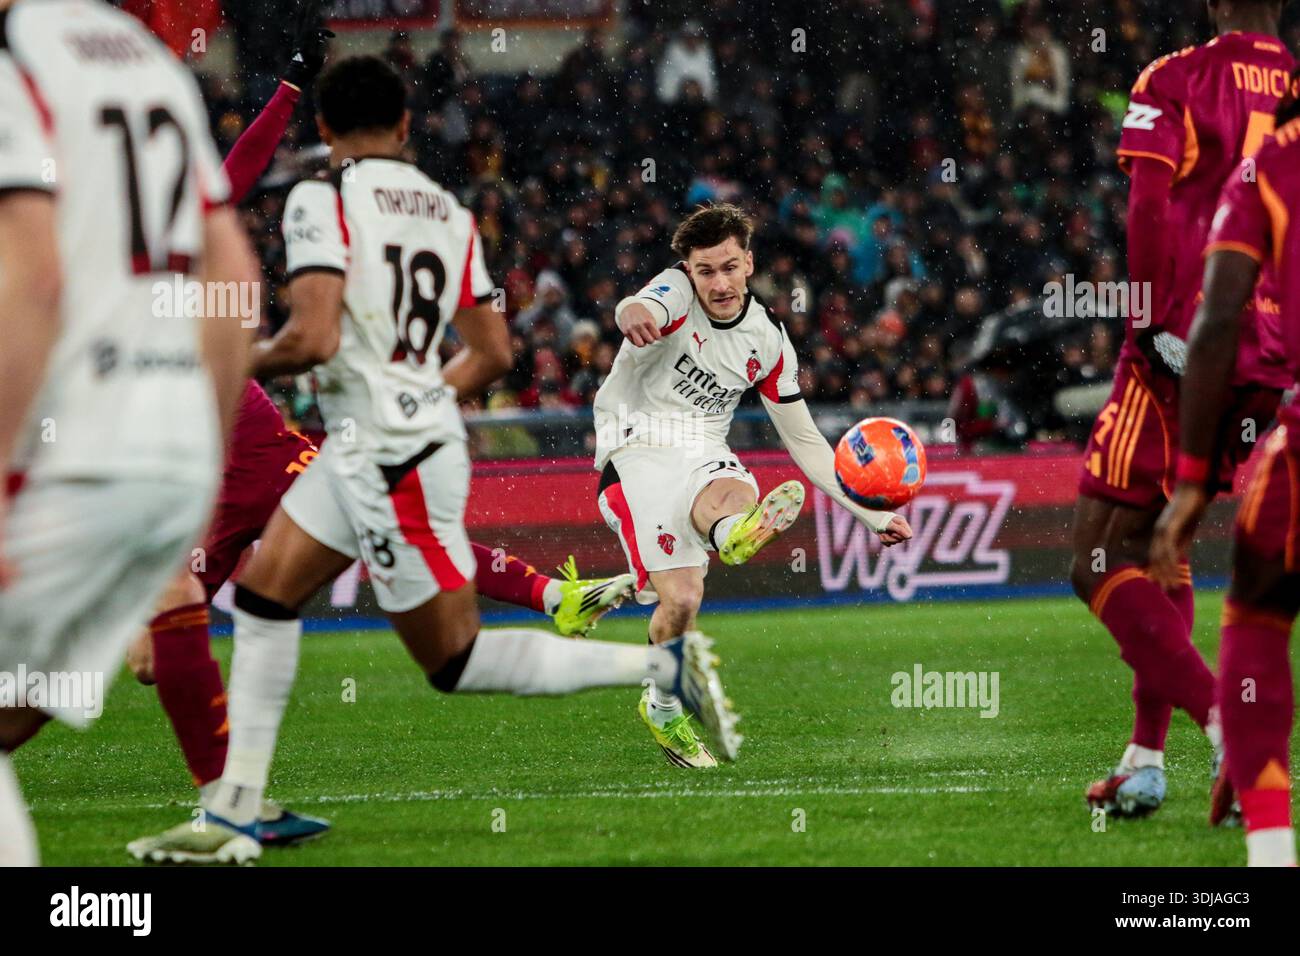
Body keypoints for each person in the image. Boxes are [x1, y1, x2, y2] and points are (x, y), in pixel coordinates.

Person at [135, 56, 738, 865]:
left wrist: (229, 364)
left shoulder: (321, 197)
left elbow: (311, 337)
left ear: (323, 132)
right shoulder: (451, 216)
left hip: (386, 454)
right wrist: (417, 397)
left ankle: (661, 668)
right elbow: (491, 352)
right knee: (264, 601)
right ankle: (237, 814)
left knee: (453, 661)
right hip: (382, 443)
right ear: (408, 127)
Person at [0, 0, 254, 866]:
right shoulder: (148, 64)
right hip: (166, 450)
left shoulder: (15, 56)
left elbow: (31, 276)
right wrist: (200, 473)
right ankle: (230, 810)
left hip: (65, 453)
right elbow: (233, 276)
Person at [1071, 0, 1293, 820]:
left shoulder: (1176, 78)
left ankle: (1226, 728)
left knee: (1095, 557)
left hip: (1187, 340)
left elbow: (1149, 206)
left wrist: (1150, 321)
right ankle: (1145, 759)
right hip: (1267, 357)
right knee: (1167, 542)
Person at [594, 203, 913, 768]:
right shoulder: (675, 292)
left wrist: (872, 514)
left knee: (736, 495)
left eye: (728, 267)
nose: (717, 281)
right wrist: (629, 312)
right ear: (689, 271)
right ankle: (664, 705)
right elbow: (640, 304)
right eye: (705, 270)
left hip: (703, 450)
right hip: (635, 446)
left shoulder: (768, 342)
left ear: (749, 264)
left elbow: (807, 443)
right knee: (683, 600)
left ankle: (734, 530)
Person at [1149, 73, 1300, 866]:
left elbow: (1211, 322)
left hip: (1293, 435)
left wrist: (1192, 477)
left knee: (1256, 620)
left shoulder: (1268, 167)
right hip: (1277, 406)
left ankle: (1270, 843)